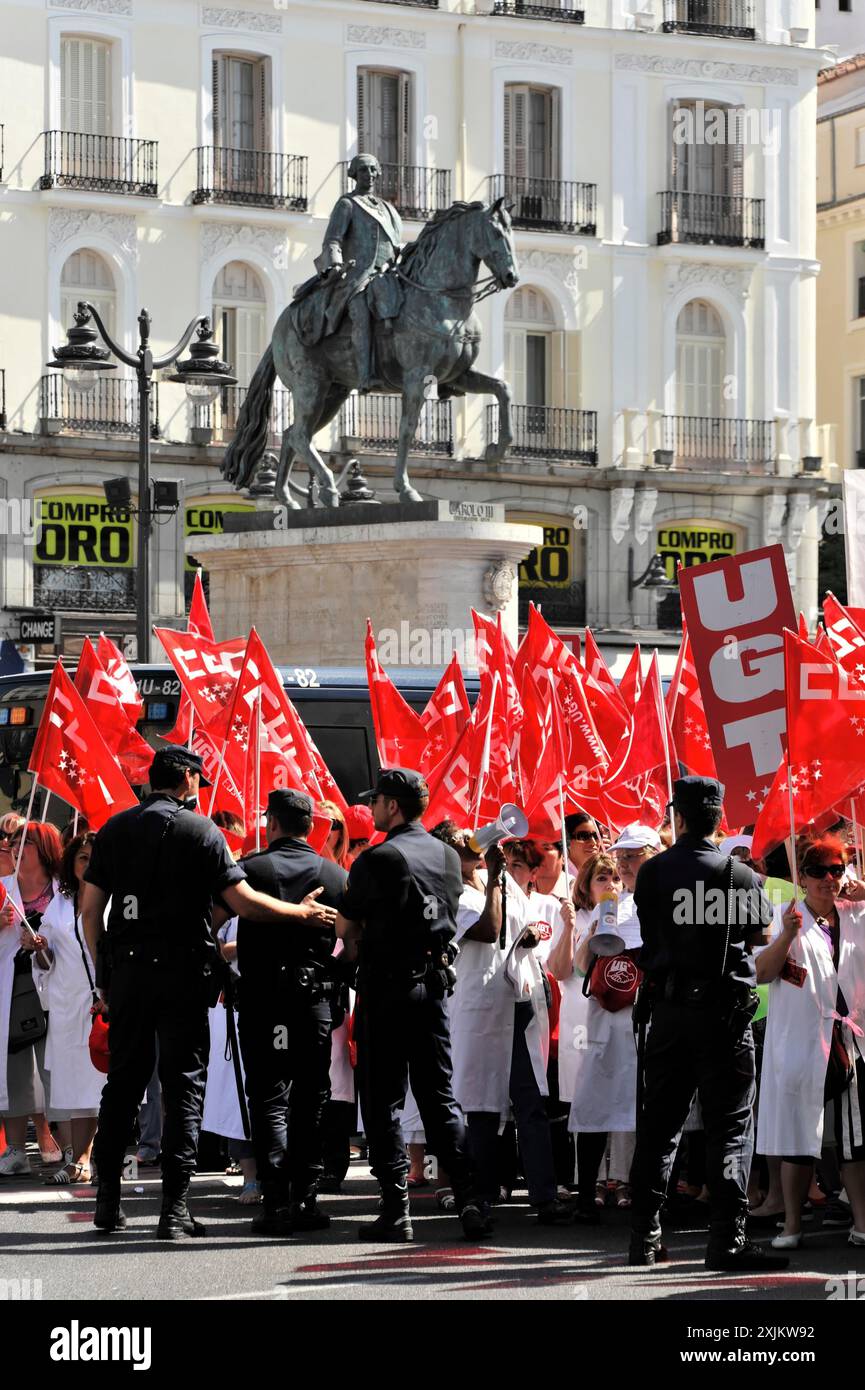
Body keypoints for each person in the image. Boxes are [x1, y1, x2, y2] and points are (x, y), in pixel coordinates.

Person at [80, 748, 337, 1239]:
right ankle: (173, 1210)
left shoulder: (114, 830)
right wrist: (300, 914)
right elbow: (243, 901)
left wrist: (105, 976)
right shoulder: (201, 831)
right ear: (188, 779)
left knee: (123, 1086)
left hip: (129, 974)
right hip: (182, 973)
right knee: (183, 1088)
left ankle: (108, 1203)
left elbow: (92, 911)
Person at [628, 776, 787, 1271]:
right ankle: (727, 1241)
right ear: (718, 818)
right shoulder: (741, 876)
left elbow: (650, 928)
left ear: (678, 816)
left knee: (660, 1128)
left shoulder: (652, 872)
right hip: (722, 1016)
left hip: (669, 1012)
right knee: (731, 1129)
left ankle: (644, 1238)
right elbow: (760, 934)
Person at [336, 768, 484, 1242]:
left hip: (386, 987)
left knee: (383, 1100)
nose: (373, 808)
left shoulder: (377, 857)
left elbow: (346, 927)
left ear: (392, 806)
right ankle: (470, 1203)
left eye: (377, 801)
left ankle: (395, 1210)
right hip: (434, 986)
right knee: (440, 1098)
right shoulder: (446, 854)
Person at [222, 788, 349, 1237]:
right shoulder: (335, 875)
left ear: (272, 823)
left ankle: (276, 1201)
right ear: (311, 827)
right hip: (313, 999)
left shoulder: (251, 870)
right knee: (310, 1099)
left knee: (269, 1098)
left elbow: (211, 919)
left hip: (263, 999)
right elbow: (355, 941)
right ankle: (304, 1200)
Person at [436, 822, 570, 1229]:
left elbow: (523, 925)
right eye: (461, 839)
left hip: (515, 1003)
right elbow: (489, 928)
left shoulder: (506, 883)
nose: (472, 841)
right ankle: (478, 1197)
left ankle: (544, 1197)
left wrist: (528, 936)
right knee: (479, 1106)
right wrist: (495, 876)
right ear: (446, 851)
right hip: (477, 1010)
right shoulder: (446, 891)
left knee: (529, 1102)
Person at [756, 835, 865, 1249]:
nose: (828, 879)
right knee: (798, 1136)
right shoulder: (784, 915)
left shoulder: (855, 913)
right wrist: (785, 936)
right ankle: (791, 1226)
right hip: (802, 1041)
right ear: (802, 877)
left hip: (850, 1040)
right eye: (818, 871)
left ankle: (861, 1222)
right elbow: (762, 973)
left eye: (836, 870)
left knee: (855, 1138)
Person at [19, 831, 103, 1184]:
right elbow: (49, 956)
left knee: (99, 1083)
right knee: (75, 1086)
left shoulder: (113, 900)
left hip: (102, 1001)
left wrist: (110, 992)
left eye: (93, 858)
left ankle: (85, 1159)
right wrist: (36, 945)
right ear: (71, 863)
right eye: (81, 858)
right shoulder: (61, 903)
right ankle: (80, 1159)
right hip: (68, 1004)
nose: (87, 864)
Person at [0, 822, 64, 1176]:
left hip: (54, 992)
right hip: (11, 994)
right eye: (13, 842)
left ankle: (69, 1146)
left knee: (56, 1068)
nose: (14, 847)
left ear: (45, 850)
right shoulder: (1, 889)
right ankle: (15, 1150)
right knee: (15, 1072)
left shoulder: (63, 893)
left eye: (25, 842)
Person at [312, 152, 403, 391]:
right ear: (354, 174)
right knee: (361, 312)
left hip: (389, 274)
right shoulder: (347, 204)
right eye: (363, 170)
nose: (369, 175)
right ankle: (365, 374)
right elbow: (332, 241)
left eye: (373, 169)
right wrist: (335, 264)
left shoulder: (389, 210)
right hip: (360, 276)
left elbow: (394, 244)